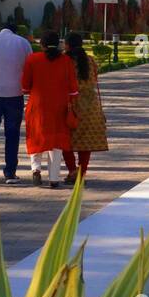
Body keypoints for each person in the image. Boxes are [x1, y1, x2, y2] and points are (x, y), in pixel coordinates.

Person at [0, 20, 33, 185]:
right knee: (12, 133)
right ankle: (10, 172)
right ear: (15, 30)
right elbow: (29, 67)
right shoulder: (22, 42)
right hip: (14, 92)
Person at [21, 30, 78, 189]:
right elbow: (73, 89)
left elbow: (25, 87)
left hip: (37, 106)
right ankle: (54, 178)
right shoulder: (66, 60)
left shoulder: (33, 59)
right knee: (56, 141)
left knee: (36, 137)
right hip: (59, 106)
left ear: (42, 44)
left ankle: (36, 170)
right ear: (59, 43)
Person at [62, 32, 109, 183]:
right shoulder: (90, 60)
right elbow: (95, 79)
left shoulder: (64, 60)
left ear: (67, 45)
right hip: (90, 106)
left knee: (66, 139)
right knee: (85, 143)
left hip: (70, 104)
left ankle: (72, 171)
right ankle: (81, 173)